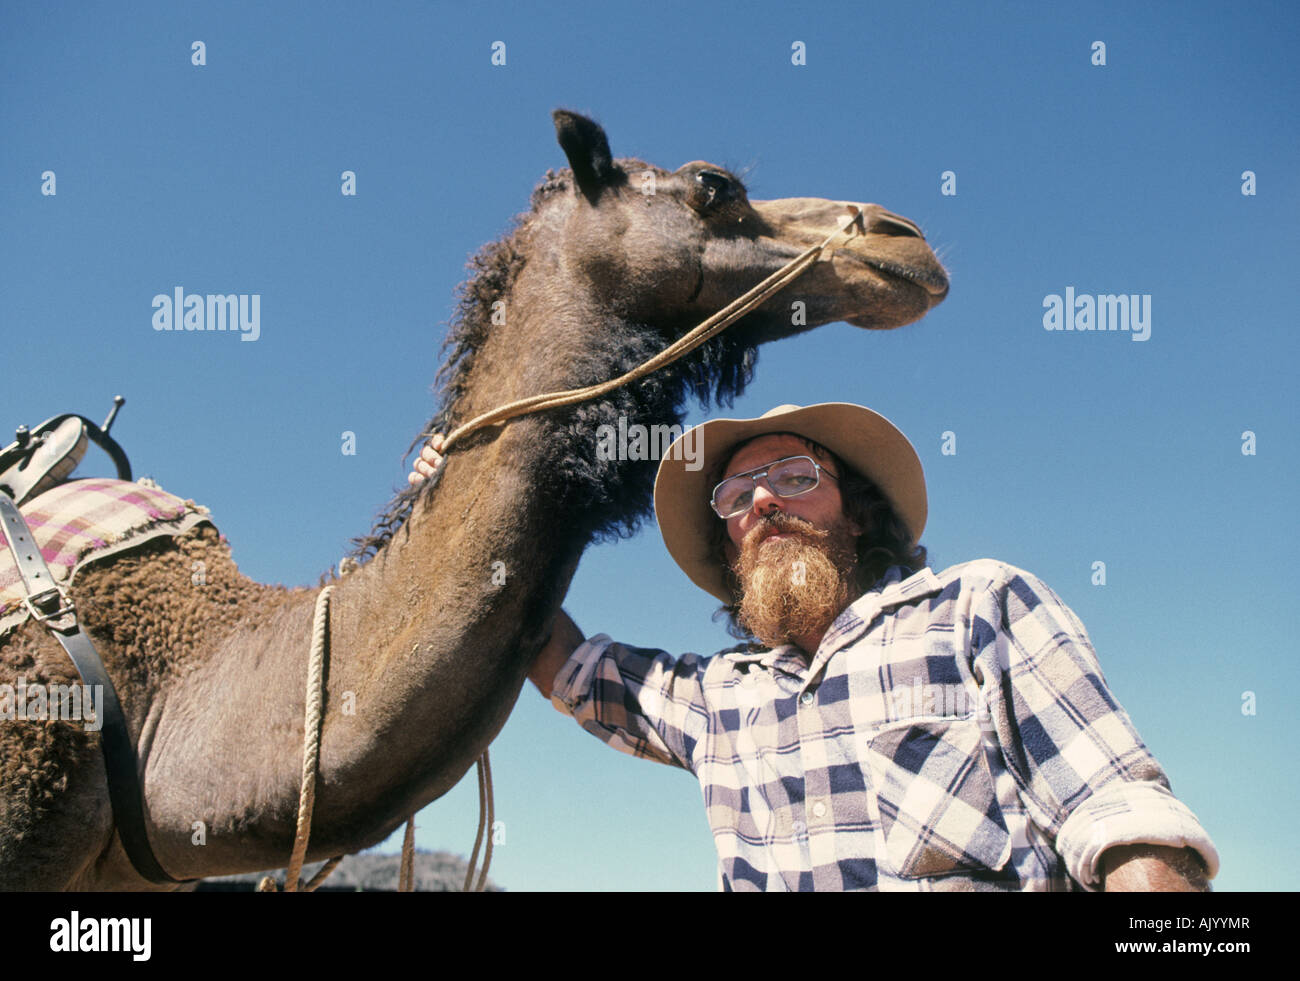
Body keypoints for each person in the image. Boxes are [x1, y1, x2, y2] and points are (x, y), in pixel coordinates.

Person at [410, 402, 1218, 891]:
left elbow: (1123, 818)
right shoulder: (718, 700)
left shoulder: (977, 606)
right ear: (729, 545)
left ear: (858, 511)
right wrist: (461, 505)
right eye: (735, 495)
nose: (761, 499)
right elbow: (562, 659)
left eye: (795, 476)